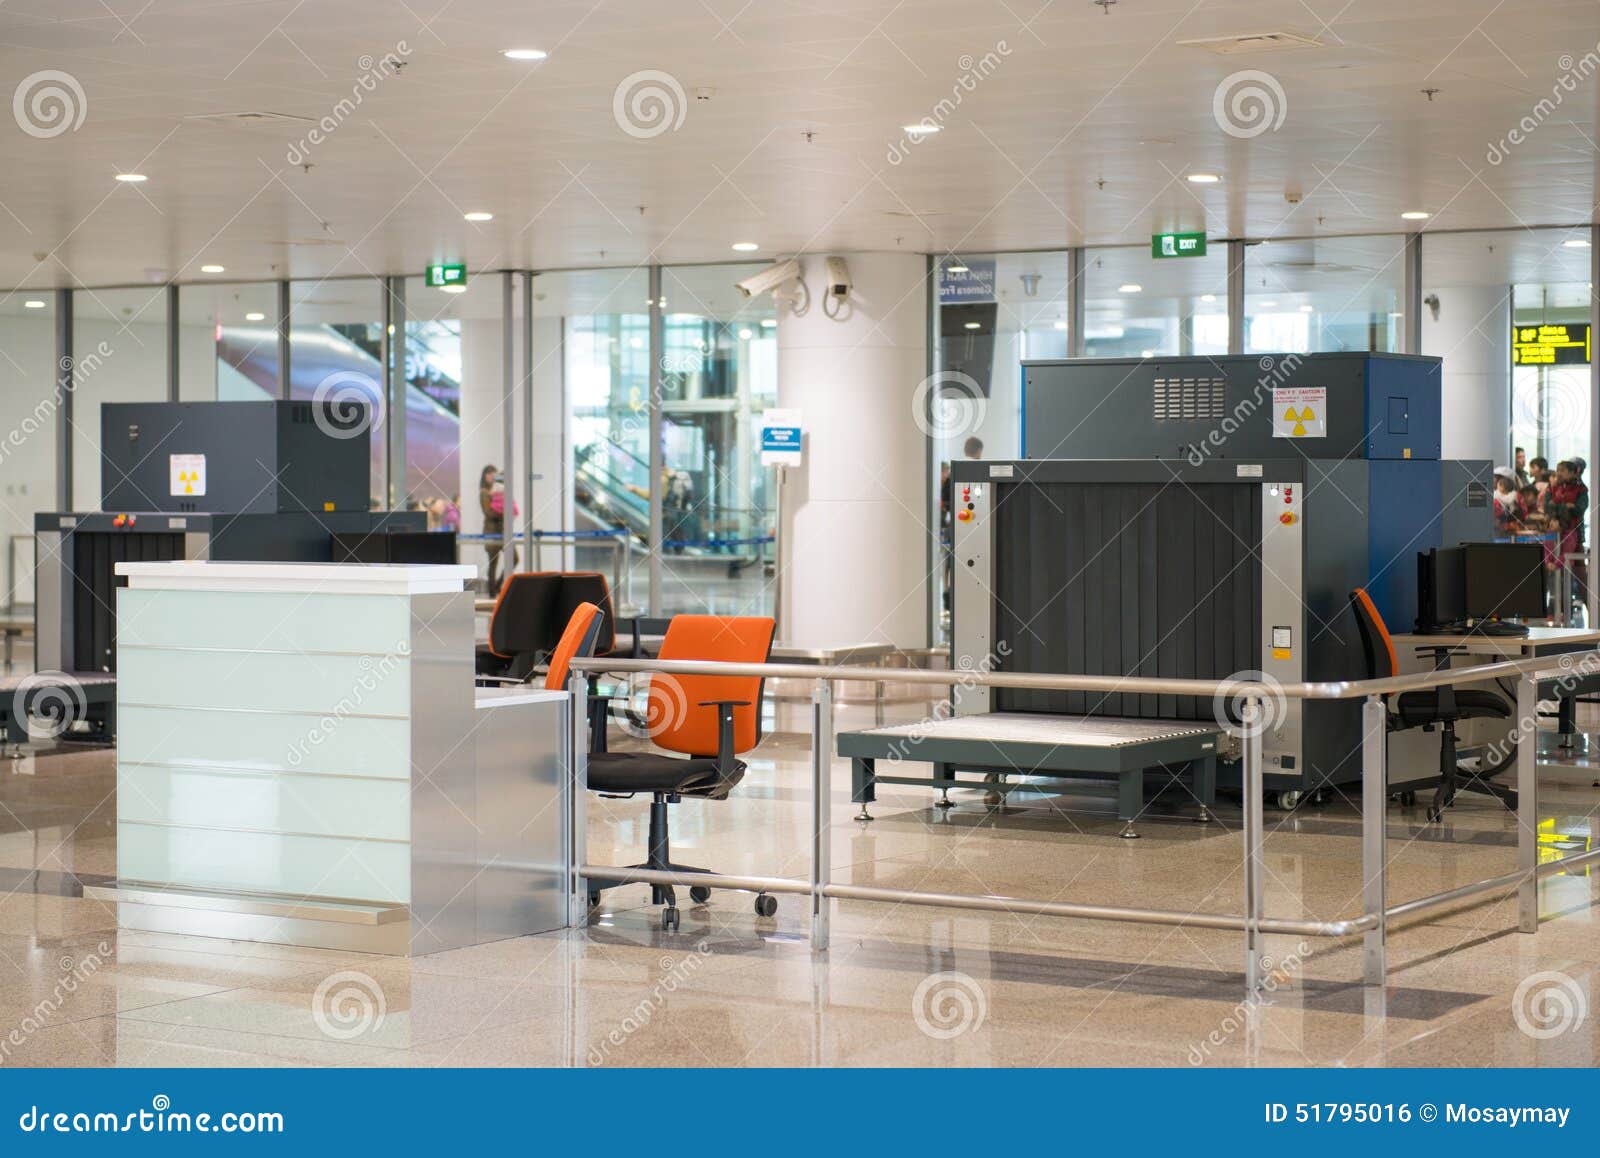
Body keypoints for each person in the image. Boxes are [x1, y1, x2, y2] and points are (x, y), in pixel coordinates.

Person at [479, 464, 518, 593]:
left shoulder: (501, 490)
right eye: (489, 473)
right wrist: (506, 513)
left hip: (503, 531)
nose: (492, 476)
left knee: (514, 559)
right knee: (493, 562)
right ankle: (492, 592)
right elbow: (488, 512)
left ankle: (497, 586)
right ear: (485, 476)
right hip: (491, 532)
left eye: (494, 474)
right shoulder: (484, 493)